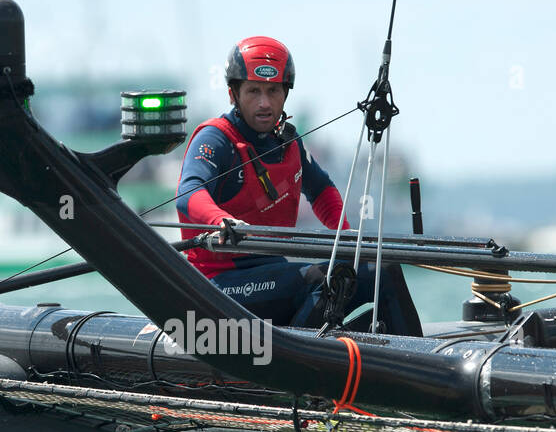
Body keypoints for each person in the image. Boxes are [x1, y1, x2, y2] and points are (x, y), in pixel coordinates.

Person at [176, 36, 420, 335]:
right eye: (253, 91)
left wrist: (345, 235)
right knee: (321, 279)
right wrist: (221, 221)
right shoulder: (215, 139)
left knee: (383, 271)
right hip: (219, 285)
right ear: (232, 94)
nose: (264, 103)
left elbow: (321, 190)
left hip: (271, 272)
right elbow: (188, 193)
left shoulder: (289, 142)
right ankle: (296, 361)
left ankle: (415, 358)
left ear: (285, 93)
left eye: (273, 91)